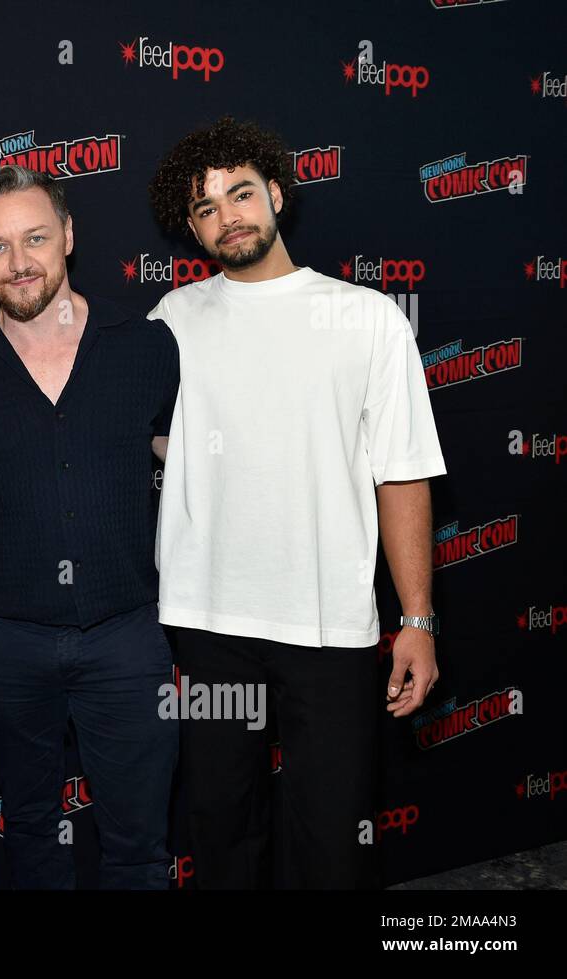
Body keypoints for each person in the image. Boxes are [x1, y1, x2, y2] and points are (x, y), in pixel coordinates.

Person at [146, 116, 446, 888]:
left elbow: (403, 473)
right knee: (222, 832)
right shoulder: (170, 324)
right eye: (206, 208)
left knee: (331, 842)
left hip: (330, 626)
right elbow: (143, 437)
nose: (228, 216)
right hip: (208, 621)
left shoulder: (367, 316)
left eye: (240, 193)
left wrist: (415, 618)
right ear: (192, 227)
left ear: (277, 192)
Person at [0, 164, 180, 889]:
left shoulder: (144, 346)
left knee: (140, 844)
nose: (19, 263)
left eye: (35, 238)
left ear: (69, 236)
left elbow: (200, 472)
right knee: (33, 833)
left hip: (127, 636)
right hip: (7, 644)